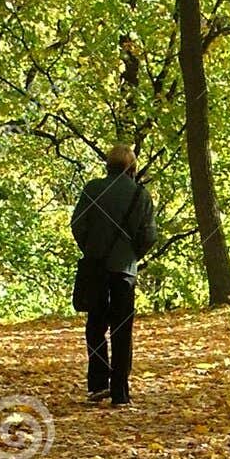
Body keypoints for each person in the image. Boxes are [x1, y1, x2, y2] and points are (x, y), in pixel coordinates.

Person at [71, 144, 156, 407]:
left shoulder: (93, 189)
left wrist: (92, 249)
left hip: (96, 267)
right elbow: (149, 235)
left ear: (108, 165)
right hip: (124, 271)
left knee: (96, 325)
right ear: (132, 167)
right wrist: (133, 255)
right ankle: (120, 391)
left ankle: (98, 384)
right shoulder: (140, 195)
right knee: (122, 329)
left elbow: (78, 224)